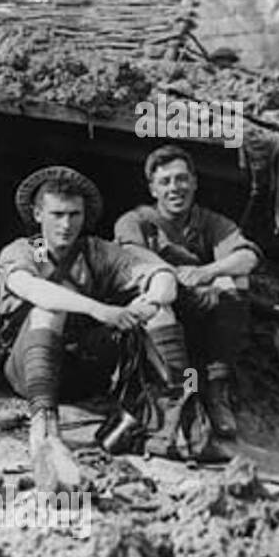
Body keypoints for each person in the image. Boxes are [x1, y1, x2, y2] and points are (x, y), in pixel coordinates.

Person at [0, 166, 189, 489]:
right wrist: (100, 310)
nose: (66, 224)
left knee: (161, 311)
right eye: (57, 214)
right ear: (38, 214)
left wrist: (149, 303)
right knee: (49, 308)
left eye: (74, 214)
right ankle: (44, 425)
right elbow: (31, 288)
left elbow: (162, 275)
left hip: (86, 370)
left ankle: (177, 419)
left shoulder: (94, 251)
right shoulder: (26, 251)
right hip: (31, 370)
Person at [113, 146, 262, 439]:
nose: (175, 188)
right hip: (151, 320)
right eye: (165, 181)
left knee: (235, 281)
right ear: (152, 189)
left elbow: (248, 257)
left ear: (194, 182)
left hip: (197, 316)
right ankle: (179, 400)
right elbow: (130, 253)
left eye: (182, 179)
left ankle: (217, 392)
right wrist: (172, 276)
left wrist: (207, 273)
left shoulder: (209, 221)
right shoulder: (136, 221)